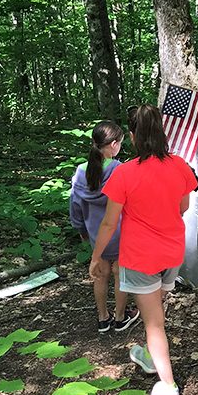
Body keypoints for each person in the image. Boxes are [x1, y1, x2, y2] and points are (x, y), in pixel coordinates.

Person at [89, 104, 198, 395]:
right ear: (161, 132)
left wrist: (97, 257)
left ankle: (168, 385)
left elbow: (109, 222)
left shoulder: (124, 173)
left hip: (140, 257)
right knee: (156, 313)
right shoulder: (180, 165)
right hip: (172, 253)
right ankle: (153, 356)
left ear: (134, 137)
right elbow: (183, 207)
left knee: (154, 324)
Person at [70, 121, 140, 333]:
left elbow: (75, 204)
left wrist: (81, 228)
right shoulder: (119, 169)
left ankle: (103, 318)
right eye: (119, 142)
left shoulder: (81, 172)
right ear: (113, 144)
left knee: (100, 274)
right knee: (119, 272)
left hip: (95, 233)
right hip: (119, 231)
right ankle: (120, 318)